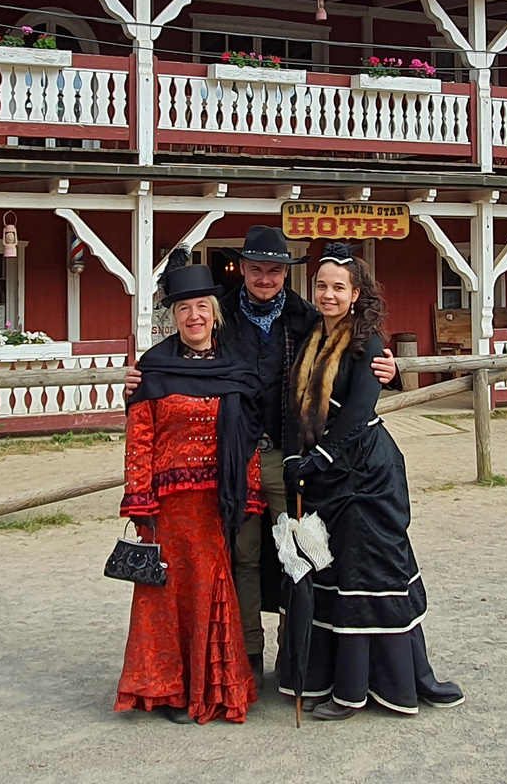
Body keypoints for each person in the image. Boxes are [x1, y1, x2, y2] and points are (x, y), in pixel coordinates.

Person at [124, 226, 397, 672]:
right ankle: (246, 653)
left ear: (285, 274)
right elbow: (183, 362)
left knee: (302, 553)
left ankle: (298, 656)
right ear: (244, 270)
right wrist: (141, 380)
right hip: (236, 456)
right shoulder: (221, 314)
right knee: (243, 556)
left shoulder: (307, 316)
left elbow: (349, 349)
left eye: (274, 270)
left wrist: (387, 365)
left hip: (295, 455)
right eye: (257, 270)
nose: (265, 278)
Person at [278, 242, 463, 720]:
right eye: (321, 285)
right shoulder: (311, 338)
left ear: (356, 292)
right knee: (335, 577)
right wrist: (294, 460)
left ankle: (362, 690)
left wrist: (315, 460)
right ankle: (331, 676)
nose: (328, 294)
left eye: (338, 287)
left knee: (370, 575)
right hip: (327, 479)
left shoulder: (368, 343)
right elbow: (296, 408)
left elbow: (358, 414)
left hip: (364, 476)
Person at [115, 262, 265, 725]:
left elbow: (247, 437)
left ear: (215, 313)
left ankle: (208, 687)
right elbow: (139, 439)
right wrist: (140, 500)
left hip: (216, 504)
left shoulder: (233, 368)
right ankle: (170, 691)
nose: (194, 316)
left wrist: (250, 492)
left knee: (209, 592)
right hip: (168, 505)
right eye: (185, 309)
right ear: (173, 317)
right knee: (165, 596)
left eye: (202, 306)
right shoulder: (153, 369)